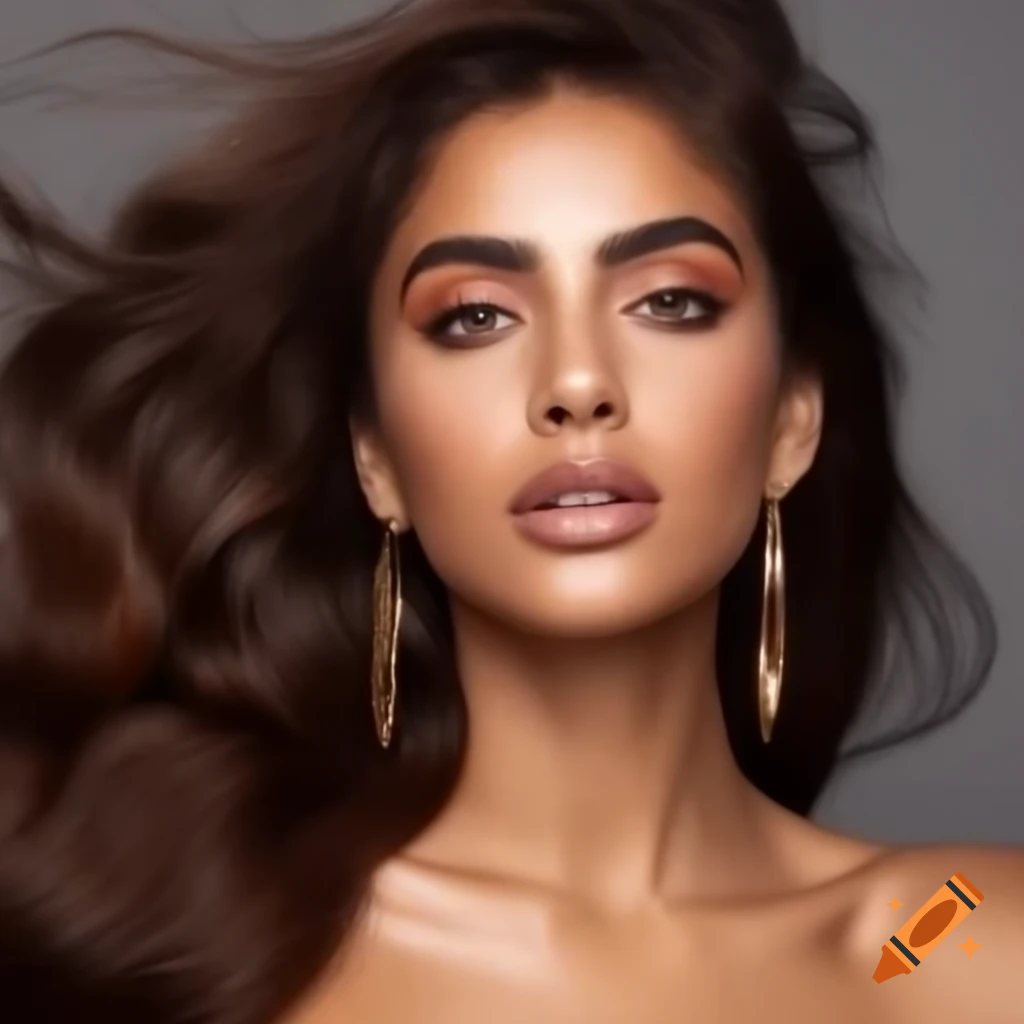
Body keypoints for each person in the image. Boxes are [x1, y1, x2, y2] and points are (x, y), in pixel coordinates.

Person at [0, 0, 1020, 1020]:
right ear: (376, 459)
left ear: (791, 422)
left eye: (670, 300)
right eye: (475, 316)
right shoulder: (206, 958)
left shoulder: (935, 940)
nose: (576, 382)